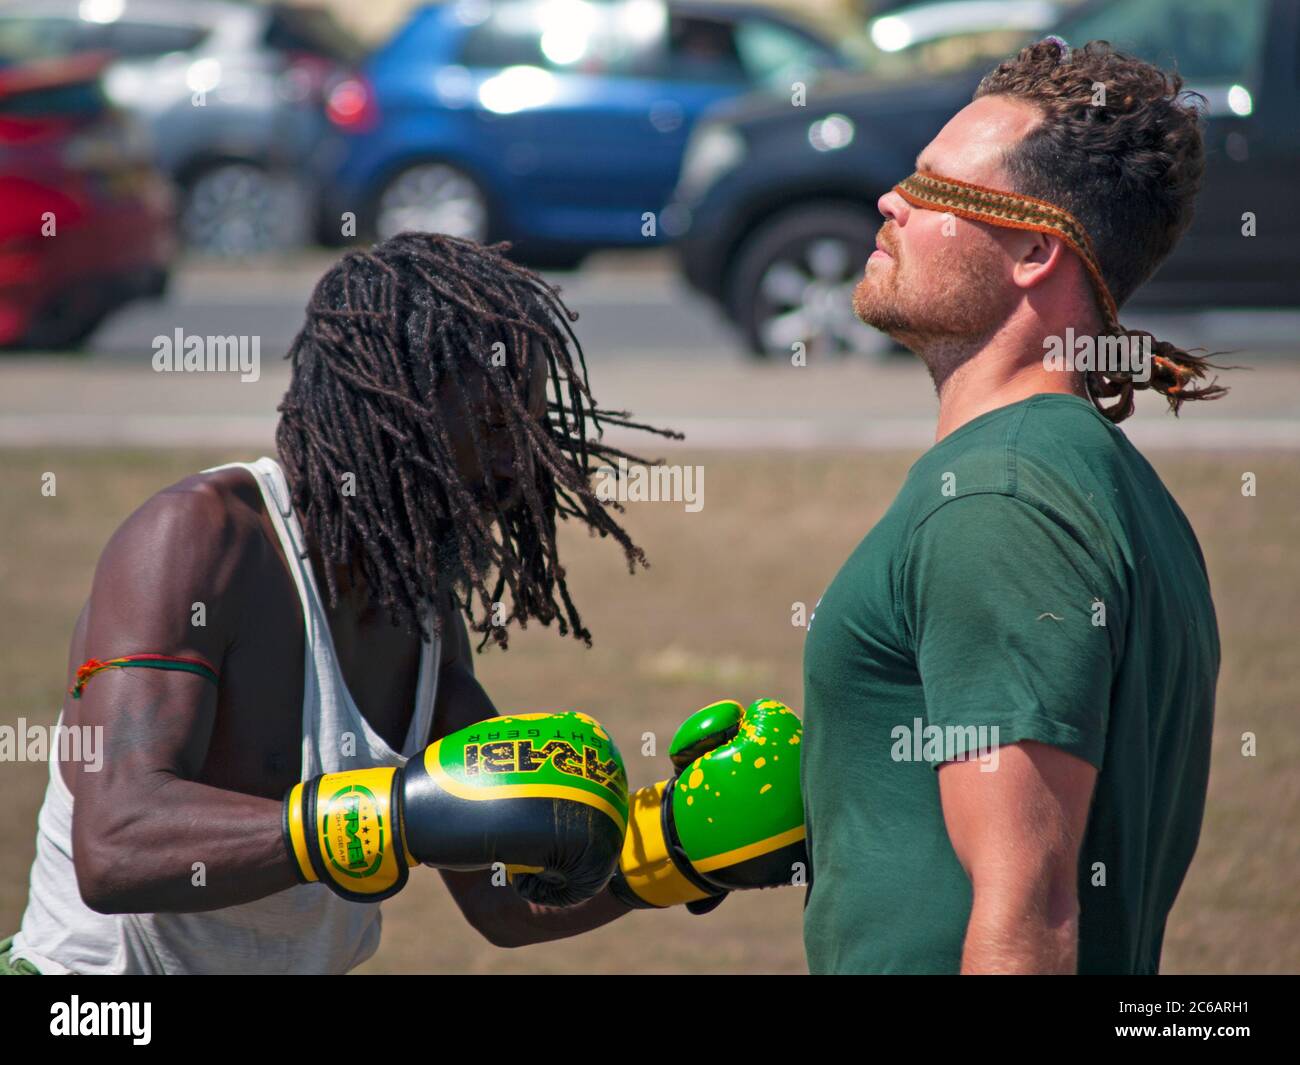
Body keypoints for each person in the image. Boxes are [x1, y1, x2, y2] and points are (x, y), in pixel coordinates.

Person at [3, 234, 676, 974]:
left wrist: (680, 847)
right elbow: (117, 844)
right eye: (494, 427)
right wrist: (385, 816)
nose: (518, 464)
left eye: (528, 431)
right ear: (396, 412)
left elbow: (505, 901)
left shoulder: (421, 607)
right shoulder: (198, 539)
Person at [801, 38, 1225, 974]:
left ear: (1036, 251)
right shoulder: (1098, 476)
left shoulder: (1000, 498)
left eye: (938, 190)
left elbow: (1029, 913)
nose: (893, 201)